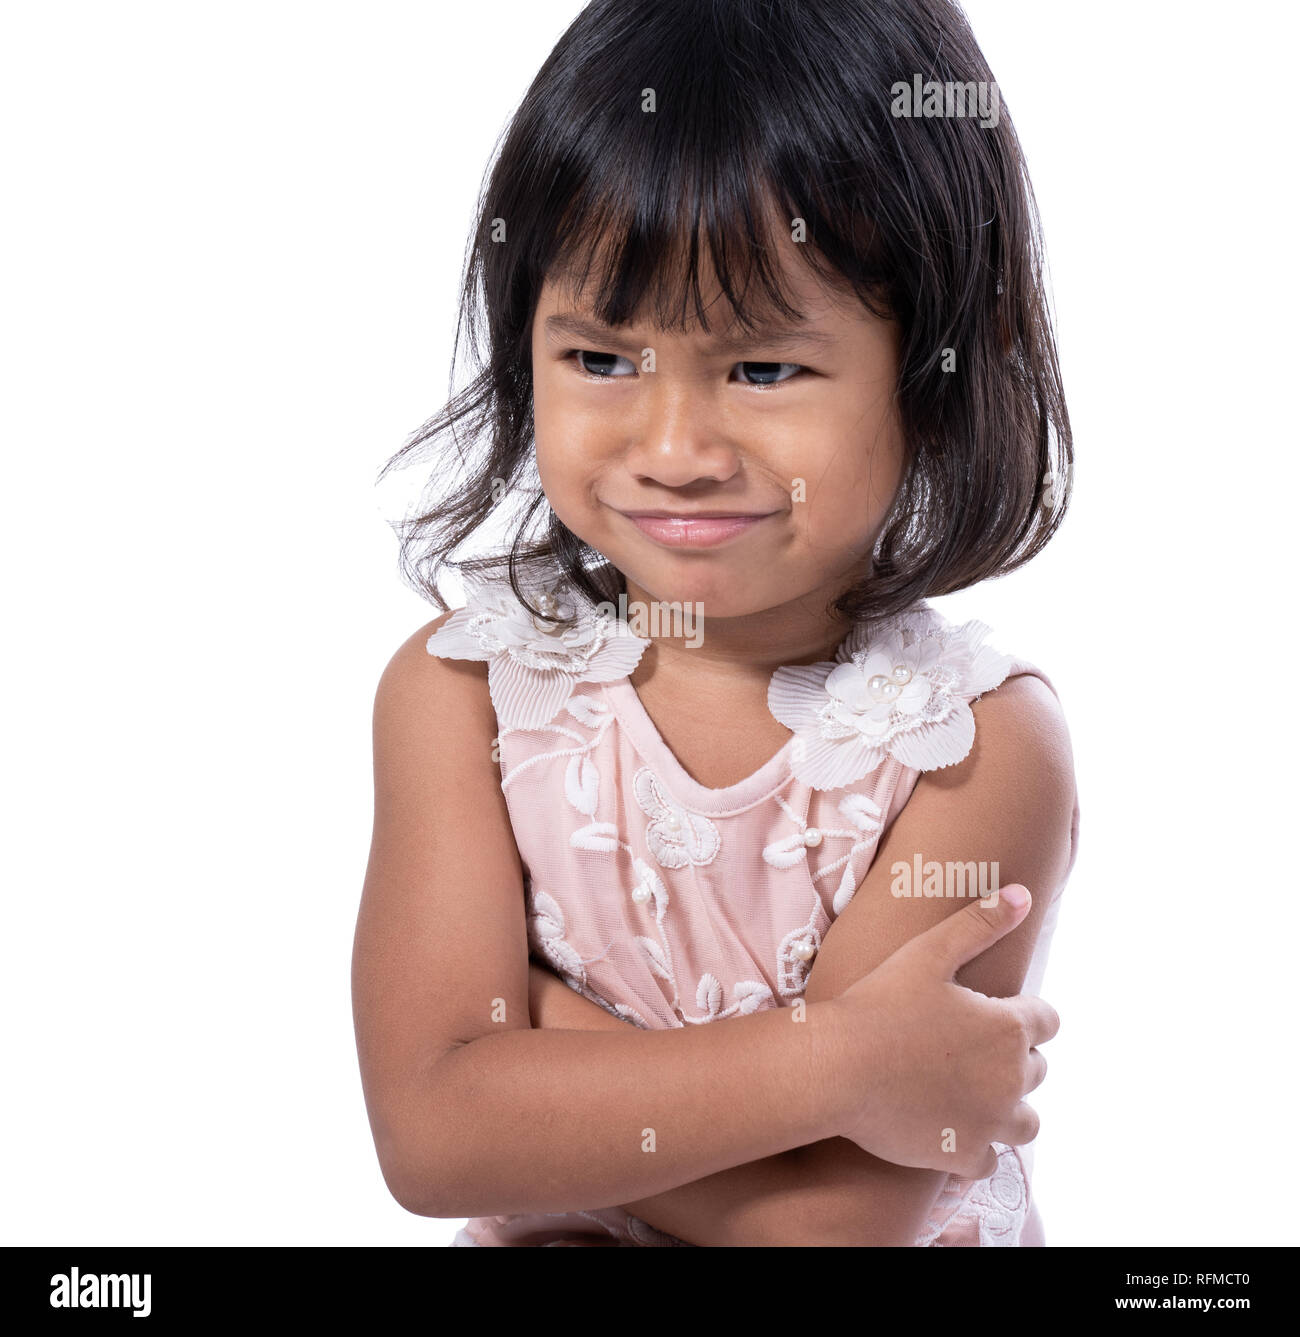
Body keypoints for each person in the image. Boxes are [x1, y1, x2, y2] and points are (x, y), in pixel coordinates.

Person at [353, 0, 1079, 1247]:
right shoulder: (464, 695)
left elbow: (822, 1231)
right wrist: (844, 1063)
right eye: (600, 359)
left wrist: (523, 1055)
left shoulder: (968, 750)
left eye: (762, 369)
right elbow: (427, 1138)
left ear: (932, 369)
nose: (676, 450)